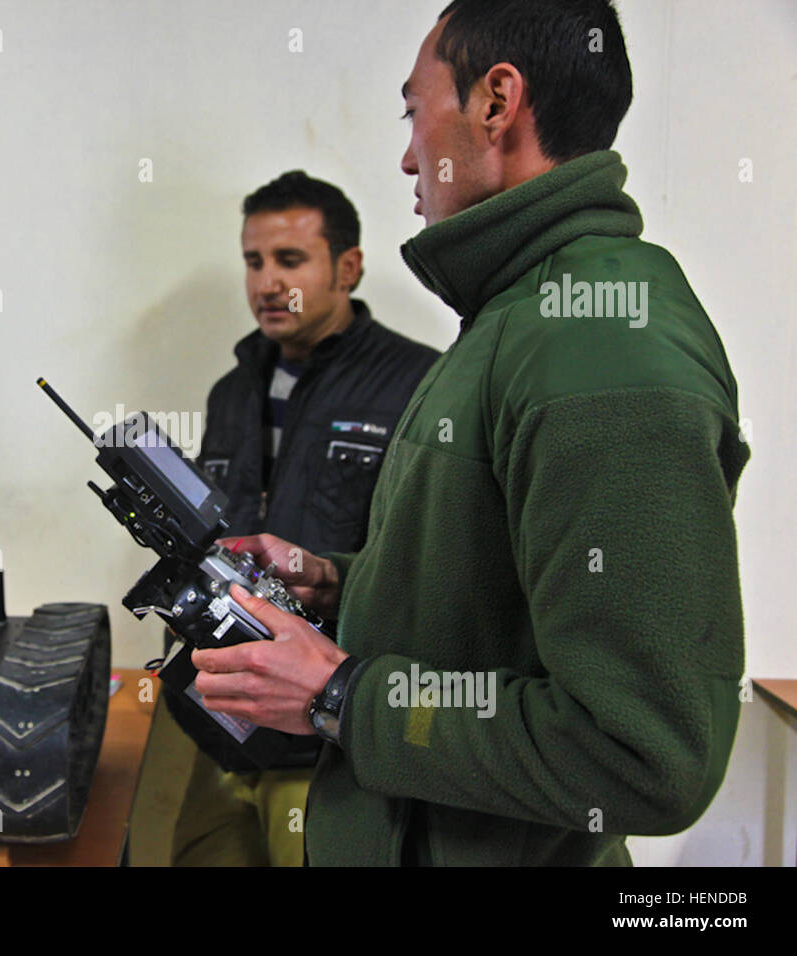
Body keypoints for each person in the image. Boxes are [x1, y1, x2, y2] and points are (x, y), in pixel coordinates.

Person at [191, 0, 749, 866]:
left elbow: (644, 755)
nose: (408, 154)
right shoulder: (516, 319)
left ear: (497, 102)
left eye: (414, 112)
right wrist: (338, 584)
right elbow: (493, 600)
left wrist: (339, 696)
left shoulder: (602, 344)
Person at [138, 171, 437, 867]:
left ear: (348, 267)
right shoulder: (232, 391)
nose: (267, 283)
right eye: (253, 261)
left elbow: (421, 571)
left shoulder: (420, 387)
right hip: (214, 715)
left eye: (290, 260)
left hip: (326, 742)